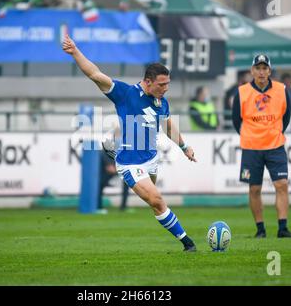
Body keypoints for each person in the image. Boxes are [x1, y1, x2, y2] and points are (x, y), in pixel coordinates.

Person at [62, 34, 197, 252]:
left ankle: (167, 220)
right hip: (130, 163)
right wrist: (75, 52)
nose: (166, 88)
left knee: (155, 204)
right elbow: (95, 74)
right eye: (162, 84)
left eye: (168, 84)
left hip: (151, 159)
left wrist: (184, 147)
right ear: (148, 81)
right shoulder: (125, 93)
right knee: (157, 200)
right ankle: (187, 243)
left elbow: (168, 126)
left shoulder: (161, 101)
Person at [231, 54, 291, 239]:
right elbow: (236, 120)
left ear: (269, 70)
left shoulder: (281, 90)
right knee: (254, 189)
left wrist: (274, 132)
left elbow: (287, 116)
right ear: (252, 71)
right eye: (258, 68)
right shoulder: (242, 92)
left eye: (264, 68)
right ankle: (260, 229)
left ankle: (282, 228)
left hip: (275, 146)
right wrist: (250, 135)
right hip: (251, 147)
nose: (261, 72)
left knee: (282, 184)